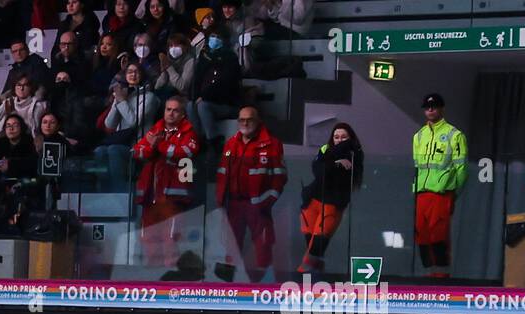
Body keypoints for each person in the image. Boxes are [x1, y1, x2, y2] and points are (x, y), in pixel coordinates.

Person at [215, 105, 285, 282]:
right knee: (230, 245)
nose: (245, 123)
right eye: (242, 119)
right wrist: (220, 199)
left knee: (263, 245)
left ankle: (264, 287)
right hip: (234, 204)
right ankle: (228, 287)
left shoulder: (272, 144)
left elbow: (280, 177)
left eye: (250, 119)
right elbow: (222, 173)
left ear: (258, 121)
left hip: (258, 205)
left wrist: (268, 201)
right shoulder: (231, 143)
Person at [131, 95, 200, 268]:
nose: (170, 113)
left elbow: (185, 153)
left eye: (175, 110)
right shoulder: (156, 129)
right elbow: (137, 152)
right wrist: (155, 146)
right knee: (149, 239)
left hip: (173, 197)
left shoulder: (189, 132)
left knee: (171, 240)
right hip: (151, 196)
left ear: (183, 114)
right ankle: (152, 278)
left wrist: (158, 146)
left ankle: (170, 283)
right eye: (168, 109)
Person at [412, 92, 467, 279]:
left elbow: (461, 168)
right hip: (421, 192)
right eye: (427, 107)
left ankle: (442, 277)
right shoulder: (419, 136)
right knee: (421, 234)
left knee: (438, 234)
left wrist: (453, 193)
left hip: (442, 192)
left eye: (434, 106)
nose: (430, 109)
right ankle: (427, 274)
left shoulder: (454, 135)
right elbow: (417, 168)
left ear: (441, 108)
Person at [297, 121, 363, 274]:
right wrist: (337, 163)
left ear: (351, 138)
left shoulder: (356, 153)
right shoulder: (325, 149)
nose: (339, 140)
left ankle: (303, 277)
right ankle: (316, 274)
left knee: (316, 246)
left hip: (333, 204)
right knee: (311, 243)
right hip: (312, 200)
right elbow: (318, 171)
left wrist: (332, 161)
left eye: (343, 137)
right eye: (336, 137)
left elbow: (337, 167)